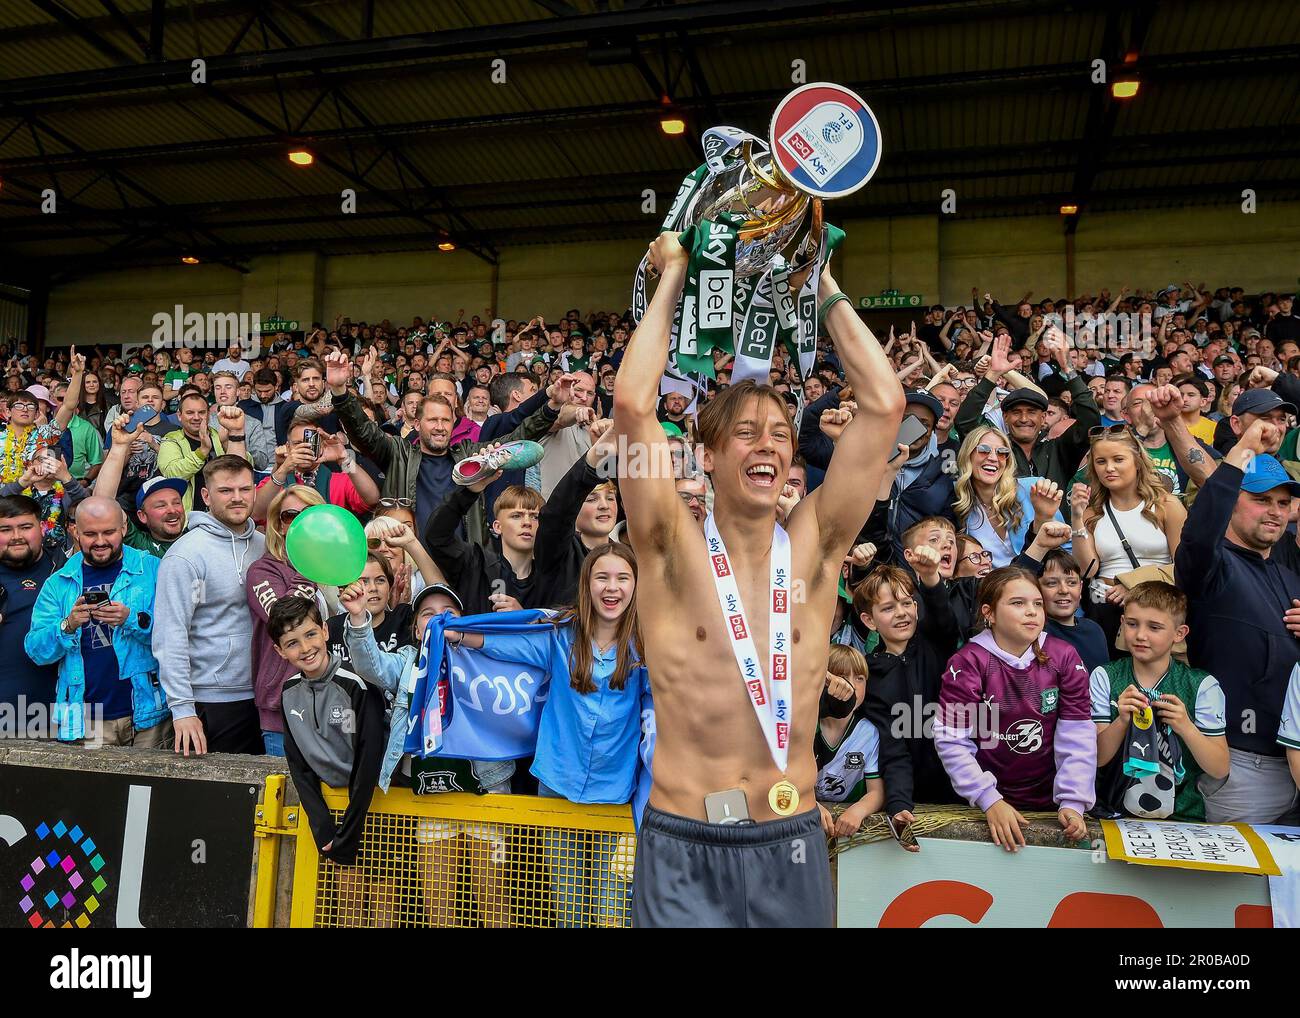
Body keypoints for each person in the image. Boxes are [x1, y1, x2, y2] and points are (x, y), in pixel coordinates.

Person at [616, 233, 903, 928]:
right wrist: (676, 275)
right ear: (707, 455)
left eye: (778, 433)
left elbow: (886, 404)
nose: (767, 444)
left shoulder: (815, 547)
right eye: (745, 434)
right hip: (685, 839)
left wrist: (821, 281)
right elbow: (632, 406)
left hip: (790, 838)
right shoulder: (669, 549)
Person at [454, 542, 646, 926]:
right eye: (602, 577)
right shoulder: (560, 634)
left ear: (636, 585)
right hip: (558, 783)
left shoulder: (647, 643)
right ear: (586, 584)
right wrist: (456, 635)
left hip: (615, 793)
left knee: (610, 911)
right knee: (568, 910)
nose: (612, 588)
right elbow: (505, 643)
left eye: (623, 578)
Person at [341, 579, 514, 926]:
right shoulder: (407, 662)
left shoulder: (485, 659)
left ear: (463, 622)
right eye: (428, 614)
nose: (438, 619)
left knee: (493, 901)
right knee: (438, 905)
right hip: (432, 796)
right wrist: (359, 618)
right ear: (417, 629)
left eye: (449, 613)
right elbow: (370, 665)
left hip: (487, 789)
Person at [1174, 420, 1300, 823]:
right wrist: (1243, 448)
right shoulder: (1210, 565)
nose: (1275, 512)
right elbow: (1199, 531)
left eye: (1283, 503)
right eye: (1262, 499)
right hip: (1243, 767)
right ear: (1232, 500)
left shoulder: (1289, 575)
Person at [326, 349, 559, 545]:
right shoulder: (397, 453)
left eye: (445, 420)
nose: (439, 427)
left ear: (453, 422)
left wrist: (552, 406)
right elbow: (363, 431)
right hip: (410, 560)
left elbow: (516, 438)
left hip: (463, 560)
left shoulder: (470, 455)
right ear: (417, 423)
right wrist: (339, 391)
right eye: (432, 420)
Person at [935, 567, 1095, 852]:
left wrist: (1073, 802)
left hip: (1050, 806)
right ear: (990, 613)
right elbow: (951, 739)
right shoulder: (968, 661)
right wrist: (989, 800)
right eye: (1018, 603)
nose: (1032, 612)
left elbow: (1078, 736)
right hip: (985, 807)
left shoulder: (1064, 656)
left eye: (1037, 603)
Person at [25, 496, 170, 746]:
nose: (101, 541)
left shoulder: (152, 569)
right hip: (87, 720)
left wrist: (132, 620)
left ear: (124, 528)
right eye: (91, 534)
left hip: (150, 713)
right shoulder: (58, 583)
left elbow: (177, 636)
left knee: (148, 786)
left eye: (109, 532)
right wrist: (67, 625)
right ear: (75, 533)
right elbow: (36, 651)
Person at [154, 455, 266, 755]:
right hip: (212, 700)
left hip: (265, 696)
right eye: (226, 491)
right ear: (206, 496)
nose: (237, 498)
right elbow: (171, 635)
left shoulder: (265, 546)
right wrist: (182, 709)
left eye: (245, 489)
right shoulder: (186, 555)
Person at [273, 598, 386, 892]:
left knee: (381, 892)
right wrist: (322, 826)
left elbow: (368, 761)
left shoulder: (356, 684)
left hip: (373, 807)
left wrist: (349, 834)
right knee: (347, 897)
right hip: (332, 811)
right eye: (292, 642)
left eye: (310, 634)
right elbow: (298, 766)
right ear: (280, 651)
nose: (306, 648)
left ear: (325, 631)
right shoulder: (288, 693)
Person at [1091, 582, 1228, 821]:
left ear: (1179, 633)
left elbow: (1219, 768)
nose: (1141, 635)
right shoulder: (1104, 676)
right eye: (1132, 624)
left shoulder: (1202, 685)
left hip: (1183, 818)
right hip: (1111, 814)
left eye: (1154, 627)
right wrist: (1122, 720)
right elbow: (1097, 759)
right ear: (1122, 623)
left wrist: (1185, 726)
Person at [856, 555, 962, 830]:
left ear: (916, 607)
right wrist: (899, 804)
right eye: (889, 608)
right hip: (915, 794)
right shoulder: (870, 675)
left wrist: (930, 577)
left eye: (906, 604)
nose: (901, 613)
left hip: (962, 787)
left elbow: (943, 618)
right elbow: (892, 746)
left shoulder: (936, 644)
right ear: (869, 620)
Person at [1068, 425, 1185, 648]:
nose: (1109, 468)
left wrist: (1133, 583)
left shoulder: (1166, 505)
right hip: (1104, 608)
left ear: (1137, 460)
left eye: (1118, 459)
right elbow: (1087, 569)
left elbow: (1185, 568)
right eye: (1101, 462)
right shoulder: (1092, 512)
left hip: (1155, 609)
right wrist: (1076, 518)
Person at [954, 332, 1100, 490]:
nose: (1024, 418)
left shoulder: (1058, 451)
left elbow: (1090, 422)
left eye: (1031, 412)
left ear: (1043, 417)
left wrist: (1068, 369)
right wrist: (993, 375)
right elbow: (964, 422)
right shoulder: (995, 453)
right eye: (1016, 412)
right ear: (1005, 417)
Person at [247, 485, 328, 756]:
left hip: (334, 704)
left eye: (310, 513)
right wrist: (311, 567)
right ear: (279, 525)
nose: (301, 522)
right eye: (291, 515)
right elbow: (287, 620)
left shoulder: (340, 565)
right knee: (287, 796)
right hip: (282, 710)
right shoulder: (263, 570)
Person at [953, 424, 1065, 568]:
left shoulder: (1033, 489)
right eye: (983, 450)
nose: (993, 458)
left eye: (1002, 452)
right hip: (989, 587)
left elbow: (1065, 549)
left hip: (1036, 581)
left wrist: (1044, 519)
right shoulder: (957, 497)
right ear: (967, 455)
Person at [0, 495, 60, 735]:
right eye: (5, 529)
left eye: (25, 527)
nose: (16, 536)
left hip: (58, 716)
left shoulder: (66, 568)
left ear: (42, 528)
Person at [814, 645, 884, 839]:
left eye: (859, 678)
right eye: (842, 677)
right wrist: (811, 806)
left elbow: (877, 792)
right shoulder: (806, 724)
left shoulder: (868, 732)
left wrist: (858, 811)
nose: (851, 685)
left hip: (850, 828)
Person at [94, 415, 188, 556]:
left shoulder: (200, 535)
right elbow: (102, 503)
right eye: (161, 505)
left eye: (176, 502)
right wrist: (119, 448)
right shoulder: (139, 545)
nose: (172, 510)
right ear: (142, 516)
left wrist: (234, 436)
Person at [251, 420, 378, 523]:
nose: (304, 448)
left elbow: (372, 499)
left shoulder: (339, 479)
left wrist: (343, 458)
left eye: (310, 443)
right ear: (288, 448)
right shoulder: (276, 482)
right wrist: (283, 468)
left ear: (322, 445)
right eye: (298, 443)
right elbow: (256, 513)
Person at [0, 349, 85, 485]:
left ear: (36, 413)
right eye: (19, 405)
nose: (25, 409)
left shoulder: (44, 434)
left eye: (31, 407)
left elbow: (68, 406)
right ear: (8, 412)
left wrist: (78, 374)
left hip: (35, 502)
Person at [158, 392, 250, 512]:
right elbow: (171, 474)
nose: (196, 417)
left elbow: (246, 467)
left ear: (208, 414)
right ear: (179, 416)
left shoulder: (219, 436)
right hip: (189, 518)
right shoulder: (171, 440)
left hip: (223, 514)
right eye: (190, 413)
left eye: (201, 412)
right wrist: (202, 452)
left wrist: (230, 440)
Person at [1040, 549, 1109, 673]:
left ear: (1081, 588)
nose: (1064, 590)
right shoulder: (1035, 633)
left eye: (1072, 582)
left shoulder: (1095, 630)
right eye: (1051, 583)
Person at [210, 370, 274, 471]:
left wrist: (236, 441)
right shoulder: (205, 422)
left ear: (238, 391)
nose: (222, 391)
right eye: (217, 387)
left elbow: (262, 463)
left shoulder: (253, 423)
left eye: (228, 387)